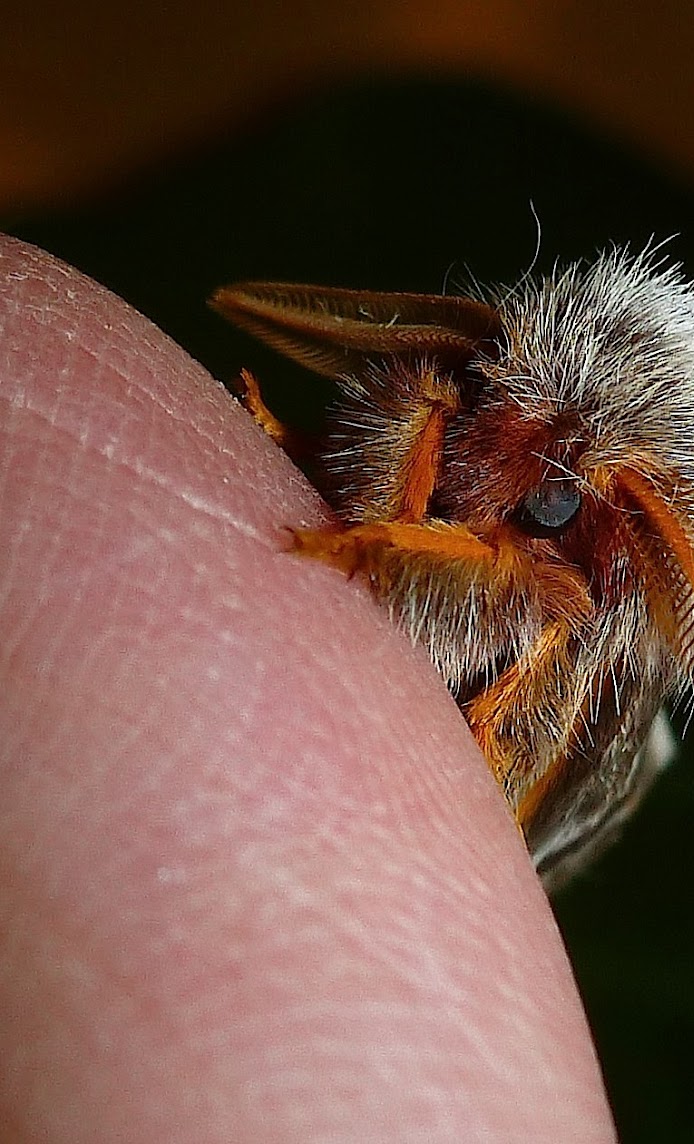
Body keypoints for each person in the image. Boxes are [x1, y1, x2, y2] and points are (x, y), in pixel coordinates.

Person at [0, 236, 614, 1142]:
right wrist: (324, 466)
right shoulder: (462, 410)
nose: (474, 480)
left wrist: (382, 551)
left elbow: (533, 597)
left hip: (500, 809)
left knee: (558, 616)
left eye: (545, 495)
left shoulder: (575, 570)